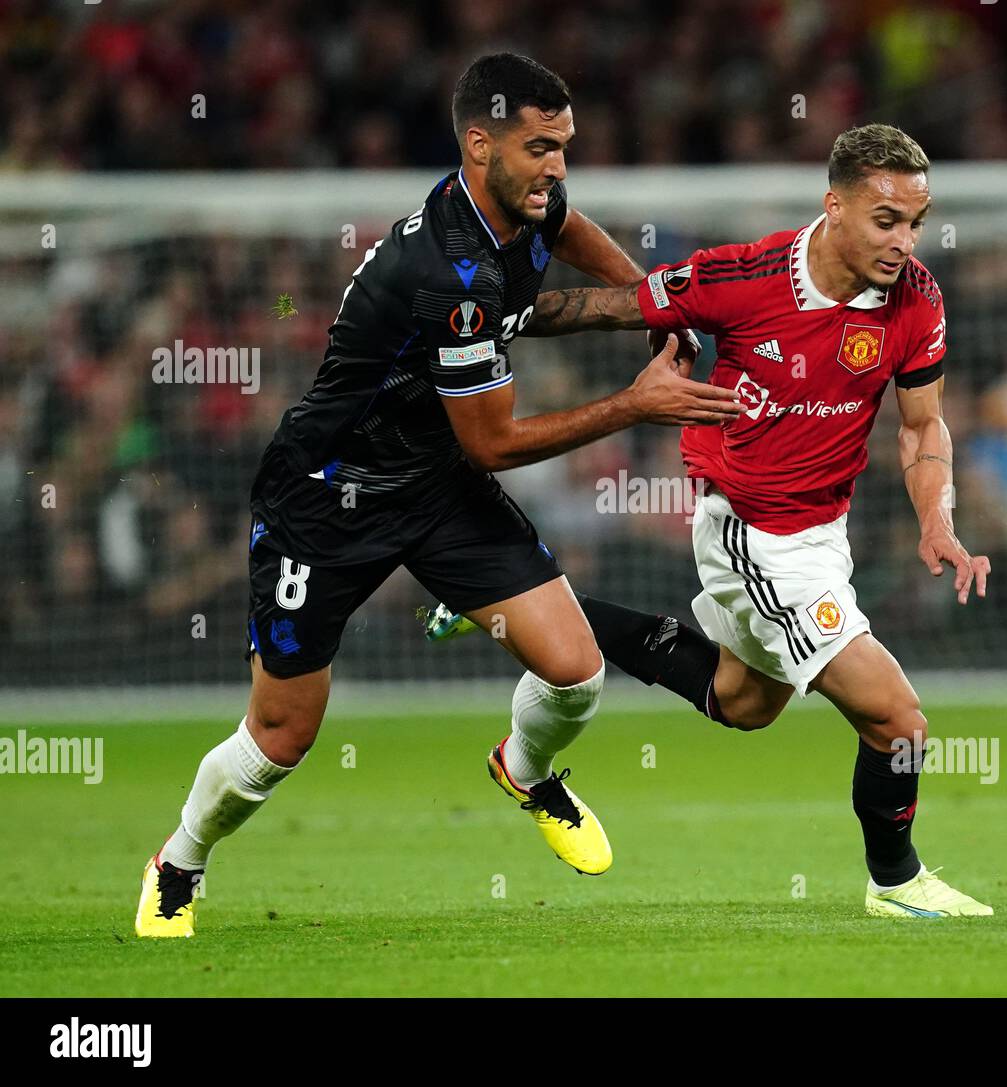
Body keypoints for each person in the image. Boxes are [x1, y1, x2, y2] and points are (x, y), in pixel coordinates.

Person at [135, 53, 739, 938]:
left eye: (566, 146)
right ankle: (179, 861)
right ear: (479, 142)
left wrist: (654, 307)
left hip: (435, 484)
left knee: (575, 669)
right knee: (281, 737)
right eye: (542, 148)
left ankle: (525, 771)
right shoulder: (451, 276)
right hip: (326, 495)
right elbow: (493, 441)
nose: (558, 169)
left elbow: (570, 231)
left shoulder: (516, 201)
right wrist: (634, 404)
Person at [427, 123, 993, 918]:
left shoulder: (916, 299)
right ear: (834, 207)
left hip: (822, 538)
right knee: (895, 714)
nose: (905, 241)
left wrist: (937, 517)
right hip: (751, 531)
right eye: (886, 219)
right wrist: (492, 313)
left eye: (916, 222)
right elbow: (615, 306)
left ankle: (511, 603)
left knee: (743, 702)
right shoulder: (747, 275)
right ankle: (896, 882)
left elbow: (922, 426)